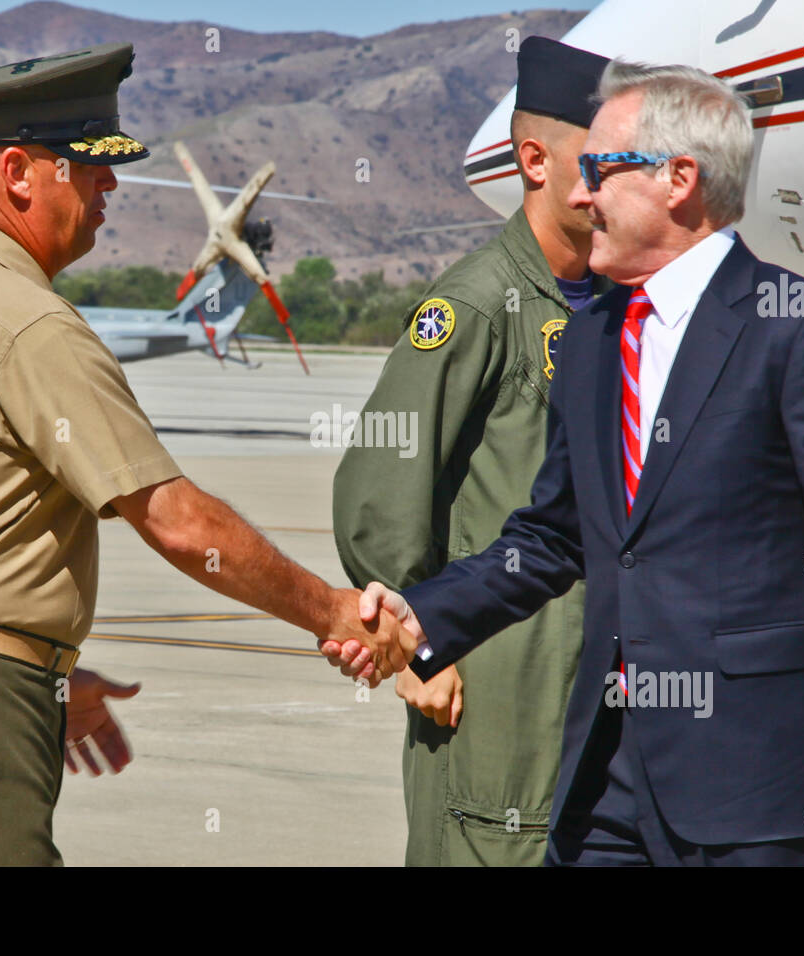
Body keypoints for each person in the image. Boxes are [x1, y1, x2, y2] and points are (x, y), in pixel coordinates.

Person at [346, 60, 804, 866]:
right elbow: (554, 533)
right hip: (607, 780)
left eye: (598, 170)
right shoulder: (595, 337)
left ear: (679, 180)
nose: (578, 195)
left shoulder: (798, 328)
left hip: (761, 786)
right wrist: (426, 618)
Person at [0, 42, 407, 867]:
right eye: (87, 166)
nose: (111, 185)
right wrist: (332, 612)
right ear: (20, 174)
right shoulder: (29, 324)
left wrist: (38, 667)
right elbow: (177, 522)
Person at [327, 37, 610, 866]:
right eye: (598, 163)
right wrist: (418, 648)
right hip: (496, 684)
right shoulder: (479, 306)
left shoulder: (615, 303)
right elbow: (379, 489)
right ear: (534, 160)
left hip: (589, 682)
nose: (615, 185)